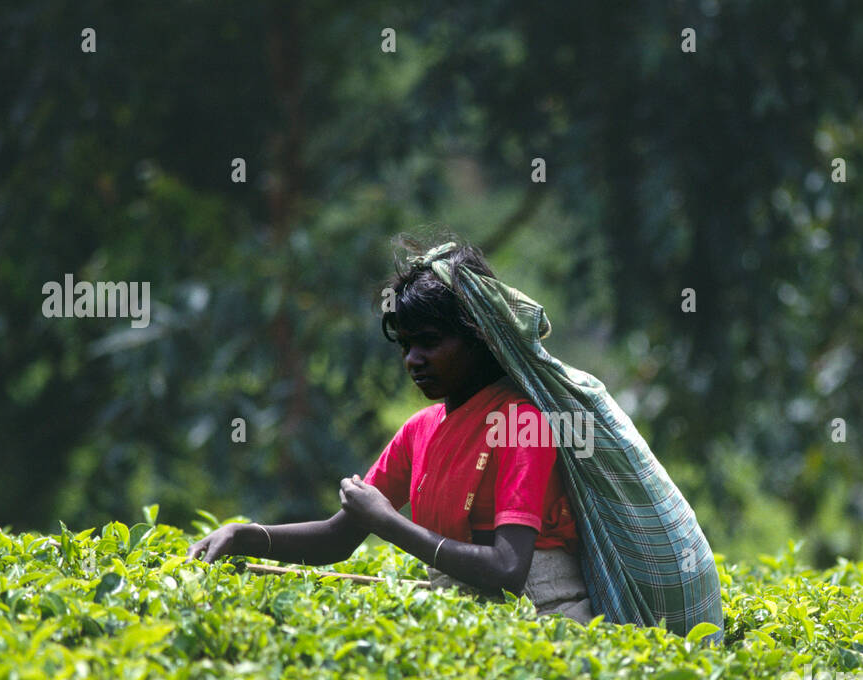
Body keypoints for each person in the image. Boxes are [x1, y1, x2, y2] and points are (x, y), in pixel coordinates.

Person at [187, 235, 597, 624]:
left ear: (479, 338)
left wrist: (388, 522)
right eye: (405, 346)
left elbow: (507, 569)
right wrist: (244, 536)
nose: (412, 360)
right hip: (472, 626)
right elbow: (338, 538)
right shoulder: (420, 431)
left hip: (547, 620)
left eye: (429, 342)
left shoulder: (520, 422)